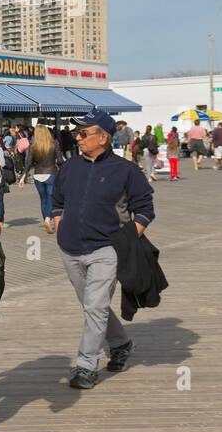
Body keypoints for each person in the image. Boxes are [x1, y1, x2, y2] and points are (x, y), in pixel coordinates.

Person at [52, 109, 155, 389]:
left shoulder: (126, 171)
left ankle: (86, 365)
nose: (78, 138)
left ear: (104, 137)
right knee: (91, 306)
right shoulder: (70, 167)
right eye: (77, 133)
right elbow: (58, 200)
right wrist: (59, 223)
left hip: (106, 250)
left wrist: (126, 240)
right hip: (69, 248)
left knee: (95, 306)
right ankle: (121, 343)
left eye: (84, 133)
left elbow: (145, 210)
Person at [26, 124, 60, 233]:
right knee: (51, 198)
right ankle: (48, 220)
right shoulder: (54, 144)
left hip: (38, 174)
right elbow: (59, 160)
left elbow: (28, 163)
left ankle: (46, 220)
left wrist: (23, 176)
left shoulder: (33, 146)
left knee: (43, 199)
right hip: (51, 173)